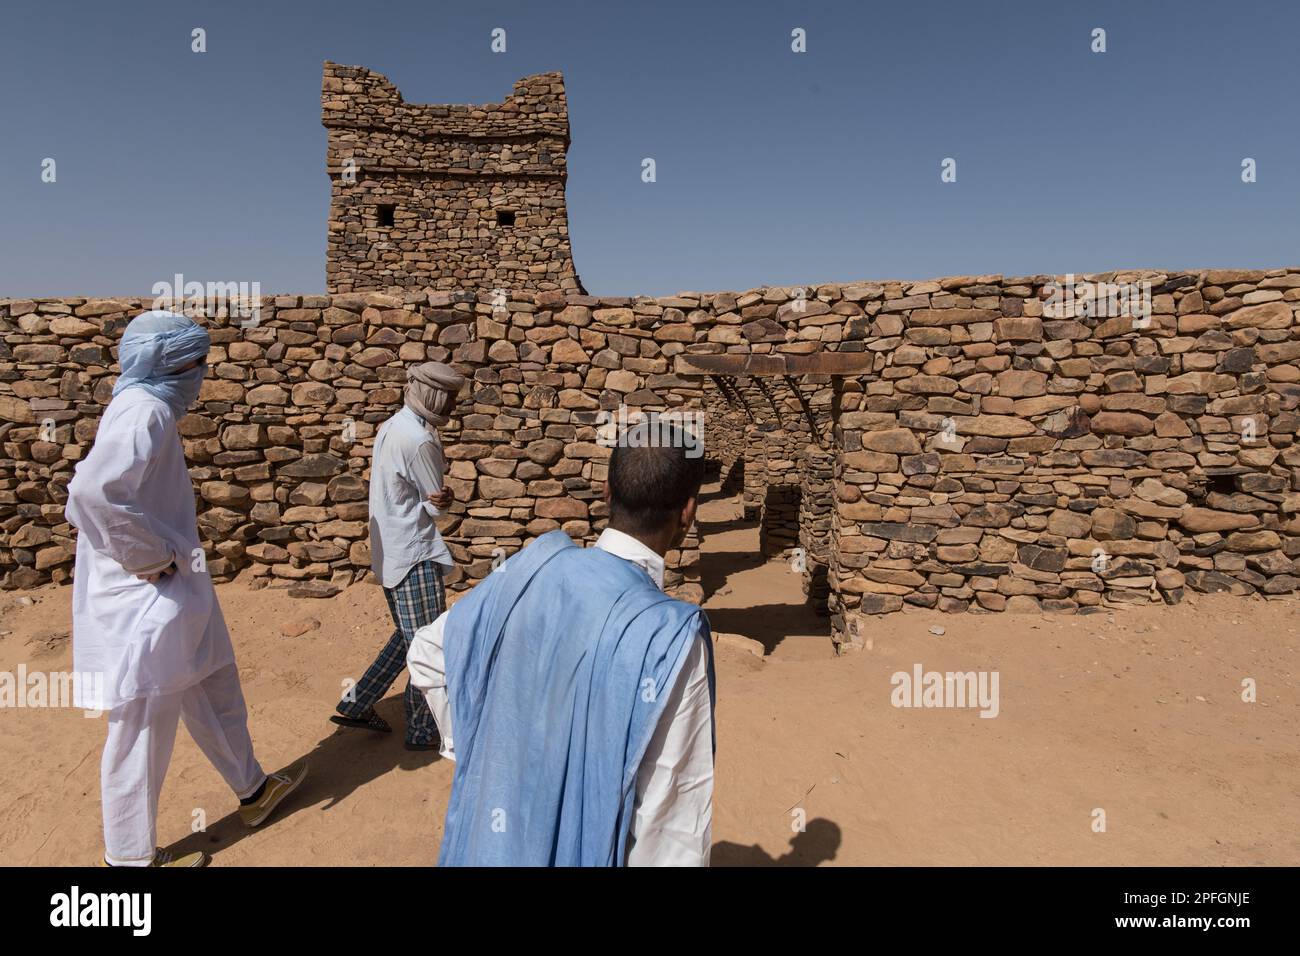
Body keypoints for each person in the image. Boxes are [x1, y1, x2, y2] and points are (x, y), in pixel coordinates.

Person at [407, 423, 716, 866]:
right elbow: (671, 828)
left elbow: (427, 654)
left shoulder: (529, 569)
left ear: (607, 493)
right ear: (688, 512)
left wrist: (489, 760)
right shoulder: (670, 639)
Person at [66, 310, 307, 868]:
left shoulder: (145, 408)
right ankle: (128, 860)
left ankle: (253, 790)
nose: (203, 374)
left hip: (175, 587)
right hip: (149, 598)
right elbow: (93, 495)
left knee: (212, 680)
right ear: (177, 365)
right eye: (199, 363)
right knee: (143, 723)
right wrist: (152, 559)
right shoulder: (145, 411)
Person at [331, 362, 465, 750]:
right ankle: (423, 730)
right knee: (428, 644)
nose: (453, 405)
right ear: (435, 395)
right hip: (413, 554)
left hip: (391, 551)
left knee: (407, 638)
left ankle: (356, 704)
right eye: (450, 397)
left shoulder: (394, 425)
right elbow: (436, 506)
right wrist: (447, 498)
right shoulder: (421, 440)